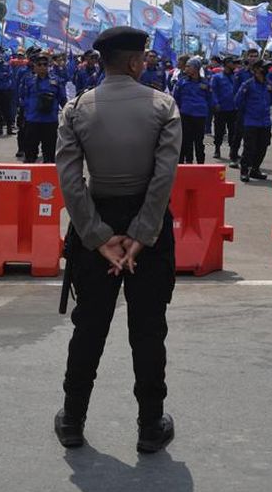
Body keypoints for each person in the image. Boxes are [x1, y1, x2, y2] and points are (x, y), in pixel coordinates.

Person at [55, 26, 181, 453]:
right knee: (148, 329)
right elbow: (163, 179)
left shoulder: (75, 110)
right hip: (149, 229)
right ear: (133, 62)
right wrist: (142, 235)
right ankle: (149, 426)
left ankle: (72, 420)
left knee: (89, 326)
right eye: (143, 57)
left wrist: (98, 237)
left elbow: (71, 182)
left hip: (97, 224)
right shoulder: (164, 107)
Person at [22, 54, 67, 163]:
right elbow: (22, 97)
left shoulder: (56, 81)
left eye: (45, 64)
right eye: (39, 64)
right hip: (33, 120)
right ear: (35, 66)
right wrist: (26, 112)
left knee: (50, 154)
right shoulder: (29, 81)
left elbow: (62, 99)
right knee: (30, 154)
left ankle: (47, 179)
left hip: (50, 121)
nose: (42, 67)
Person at [235, 59, 272, 182]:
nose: (266, 70)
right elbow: (238, 101)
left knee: (263, 146)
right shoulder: (248, 84)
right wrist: (247, 112)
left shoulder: (269, 84)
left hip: (265, 122)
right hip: (251, 121)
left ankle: (255, 169)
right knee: (249, 148)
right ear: (256, 70)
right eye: (264, 68)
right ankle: (245, 171)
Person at [173, 57, 215, 164]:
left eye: (188, 66)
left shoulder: (205, 83)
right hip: (185, 115)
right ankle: (188, 162)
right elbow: (176, 98)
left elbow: (210, 98)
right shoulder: (182, 82)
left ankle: (201, 163)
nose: (186, 68)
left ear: (196, 68)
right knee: (186, 140)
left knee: (199, 141)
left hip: (200, 116)